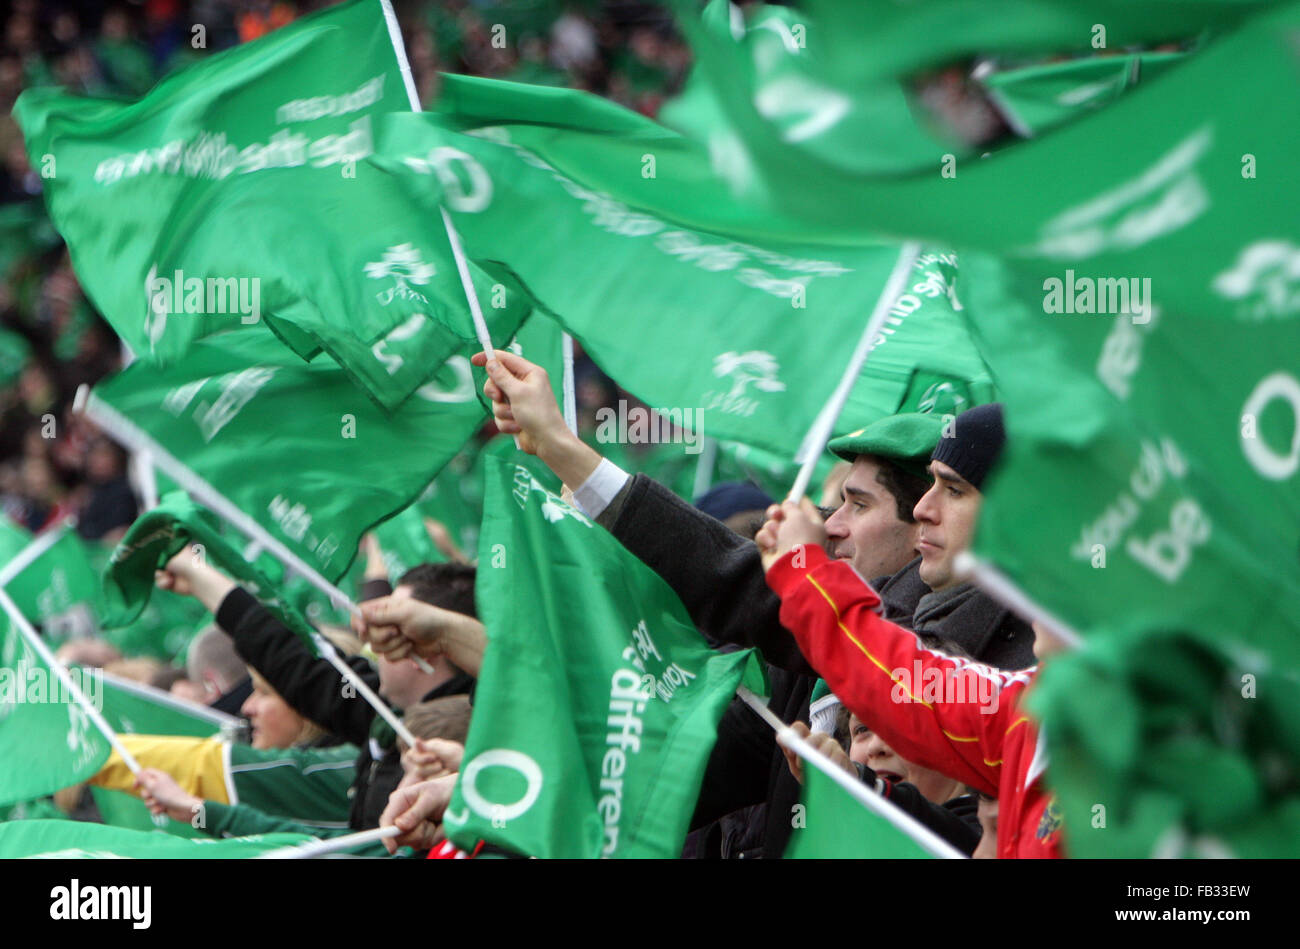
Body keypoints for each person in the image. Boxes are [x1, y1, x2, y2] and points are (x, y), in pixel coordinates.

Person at [466, 349, 1030, 856]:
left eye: (952, 490)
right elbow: (674, 769)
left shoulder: (1024, 689)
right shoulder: (818, 670)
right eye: (929, 487)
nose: (831, 524)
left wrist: (868, 794)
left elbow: (749, 591)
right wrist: (498, 789)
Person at [754, 405, 1068, 858]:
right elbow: (897, 679)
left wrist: (805, 573)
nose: (924, 508)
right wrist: (803, 574)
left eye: (954, 490)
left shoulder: (1157, 734)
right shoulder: (1028, 710)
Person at [155, 552, 476, 831]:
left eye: (392, 624)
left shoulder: (466, 746)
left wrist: (206, 815)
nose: (371, 640)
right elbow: (296, 661)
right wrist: (197, 573)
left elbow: (358, 850)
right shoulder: (386, 718)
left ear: (431, 644)